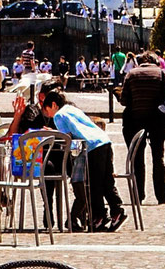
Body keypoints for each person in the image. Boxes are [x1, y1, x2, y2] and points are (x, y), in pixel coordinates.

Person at [19, 85, 122, 231]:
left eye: (47, 111)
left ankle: (100, 216)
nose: (48, 116)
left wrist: (52, 134)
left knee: (94, 184)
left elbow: (66, 139)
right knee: (106, 181)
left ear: (53, 105)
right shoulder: (72, 109)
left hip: (91, 147)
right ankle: (117, 210)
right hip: (103, 141)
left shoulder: (59, 115)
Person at [120, 52, 165, 203]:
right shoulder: (161, 74)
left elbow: (124, 100)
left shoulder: (131, 74)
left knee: (138, 158)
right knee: (158, 158)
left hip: (136, 120)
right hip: (157, 120)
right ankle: (162, 196)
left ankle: (139, 195)